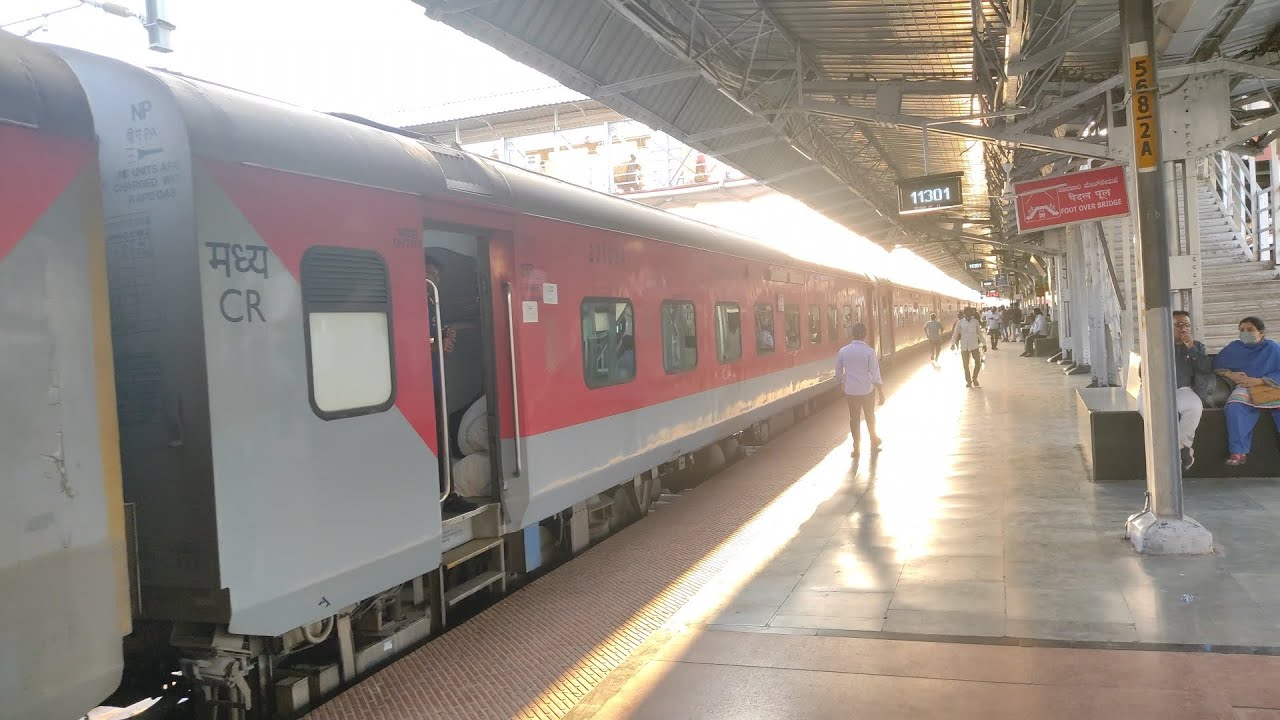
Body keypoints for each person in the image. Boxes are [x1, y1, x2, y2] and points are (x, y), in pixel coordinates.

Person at [1135, 311, 1214, 470]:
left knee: (1194, 406)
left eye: (1187, 325)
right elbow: (1142, 372)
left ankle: (1183, 446)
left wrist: (1191, 348)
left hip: (1182, 389)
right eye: (1178, 325)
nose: (1183, 329)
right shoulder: (1155, 343)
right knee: (1149, 410)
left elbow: (1205, 368)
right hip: (1154, 389)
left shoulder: (1196, 346)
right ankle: (1175, 451)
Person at [1214, 316, 1280, 466]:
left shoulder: (1273, 348)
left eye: (1250, 329)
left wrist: (1260, 381)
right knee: (1234, 407)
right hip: (1245, 386)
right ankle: (1238, 452)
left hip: (1272, 386)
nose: (1245, 333)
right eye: (1242, 330)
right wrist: (1231, 375)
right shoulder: (1234, 348)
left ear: (1261, 332)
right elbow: (1217, 365)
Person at [835, 322, 885, 459]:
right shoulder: (869, 352)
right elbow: (875, 373)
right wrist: (880, 392)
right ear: (865, 334)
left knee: (854, 418)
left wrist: (841, 383)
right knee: (870, 416)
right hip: (867, 390)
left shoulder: (843, 351)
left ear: (852, 335)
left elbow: (838, 371)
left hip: (851, 391)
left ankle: (856, 448)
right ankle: (873, 441)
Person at [425, 254, 457, 356]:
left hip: (436, 364)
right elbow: (410, 344)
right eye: (433, 274)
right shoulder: (410, 307)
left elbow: (431, 338)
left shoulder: (433, 304)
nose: (437, 280)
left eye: (438, 276)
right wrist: (436, 346)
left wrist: (444, 333)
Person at [951, 307, 987, 388]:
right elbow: (955, 333)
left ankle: (974, 378)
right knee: (966, 365)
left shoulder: (975, 322)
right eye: (967, 313)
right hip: (964, 347)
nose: (969, 314)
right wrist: (953, 343)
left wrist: (984, 344)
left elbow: (979, 334)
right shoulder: (960, 322)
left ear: (971, 313)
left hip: (974, 346)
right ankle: (968, 381)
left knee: (978, 363)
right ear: (965, 313)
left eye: (970, 313)